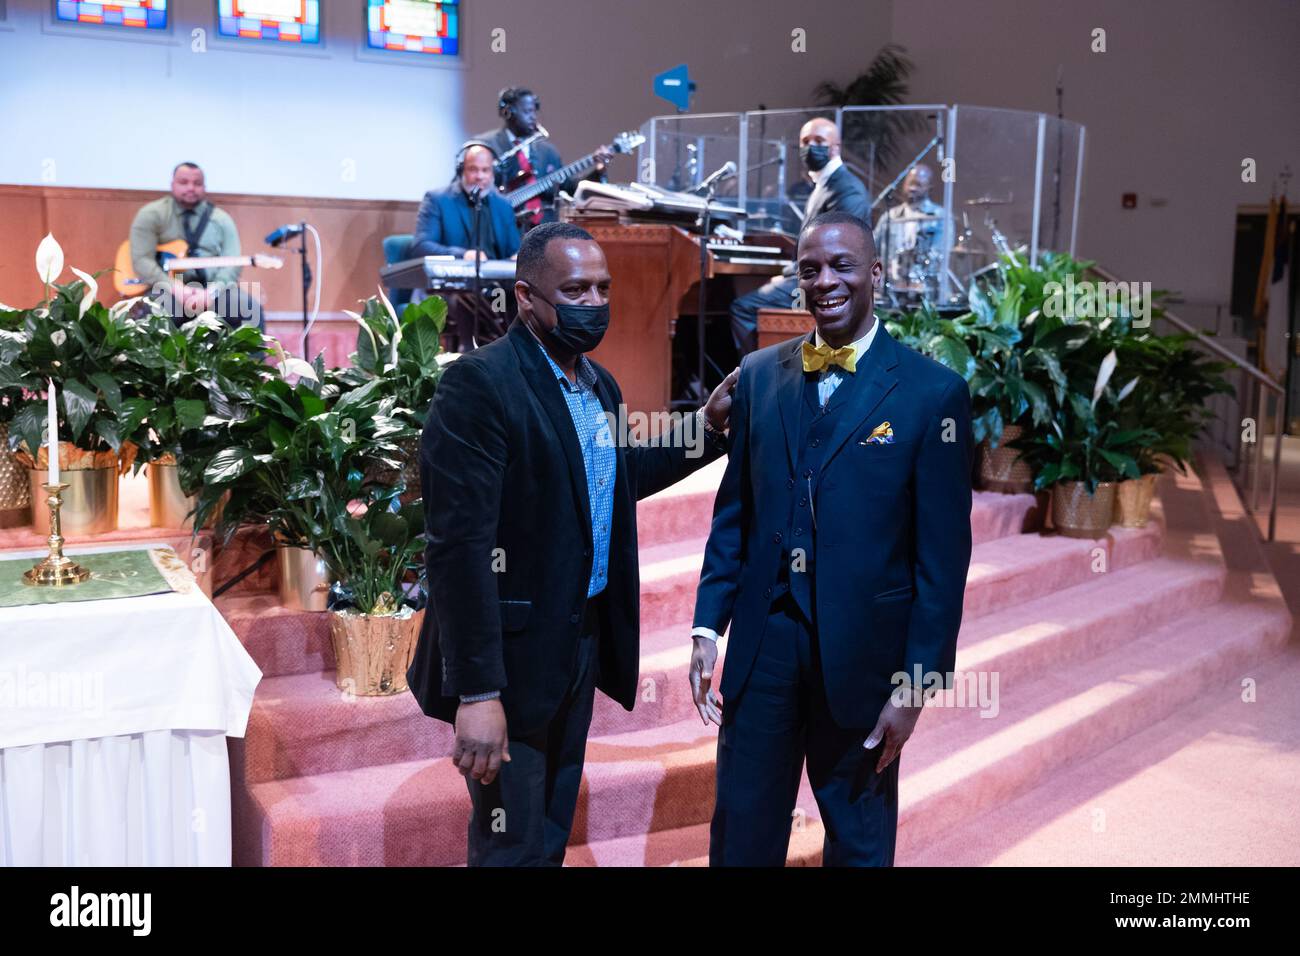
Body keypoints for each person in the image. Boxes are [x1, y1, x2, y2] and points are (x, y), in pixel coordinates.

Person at [407, 221, 739, 867]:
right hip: (509, 654)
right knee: (511, 843)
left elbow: (617, 479)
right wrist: (478, 693)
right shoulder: (480, 385)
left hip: (578, 639)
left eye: (603, 288)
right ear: (527, 297)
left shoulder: (599, 386)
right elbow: (459, 549)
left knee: (552, 830)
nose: (594, 304)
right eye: (576, 290)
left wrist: (704, 429)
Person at [689, 210, 973, 866]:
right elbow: (735, 515)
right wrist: (708, 626)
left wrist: (917, 685)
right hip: (765, 642)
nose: (825, 281)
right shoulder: (759, 375)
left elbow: (942, 560)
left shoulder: (933, 394)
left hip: (865, 656)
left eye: (842, 266)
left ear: (875, 273)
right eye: (810, 269)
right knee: (741, 831)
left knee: (859, 841)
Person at [728, 117, 871, 357]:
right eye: (805, 141)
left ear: (835, 147)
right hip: (813, 274)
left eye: (819, 140)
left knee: (743, 308)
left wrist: (788, 275)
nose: (810, 147)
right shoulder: (825, 183)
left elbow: (834, 252)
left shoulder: (846, 189)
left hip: (830, 281)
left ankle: (754, 377)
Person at [410, 141, 522, 350]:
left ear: (492, 172)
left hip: (494, 290)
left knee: (518, 297)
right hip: (450, 290)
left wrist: (518, 257)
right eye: (473, 169)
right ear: (461, 169)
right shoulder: (437, 200)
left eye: (485, 170)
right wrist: (463, 254)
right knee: (470, 301)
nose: (480, 176)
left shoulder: (502, 205)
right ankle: (468, 356)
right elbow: (421, 246)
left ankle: (512, 357)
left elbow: (513, 251)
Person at [128, 161, 261, 327]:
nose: (191, 188)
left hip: (213, 291)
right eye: (183, 182)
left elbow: (232, 265)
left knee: (249, 309)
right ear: (172, 185)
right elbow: (142, 260)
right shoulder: (151, 215)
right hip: (166, 289)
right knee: (152, 314)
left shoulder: (222, 220)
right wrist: (176, 288)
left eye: (197, 183)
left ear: (204, 187)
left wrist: (210, 294)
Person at [475, 86, 611, 230]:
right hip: (503, 229)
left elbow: (571, 188)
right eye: (527, 111)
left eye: (534, 111)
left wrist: (598, 171)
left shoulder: (547, 151)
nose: (533, 116)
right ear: (508, 113)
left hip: (544, 231)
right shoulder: (485, 146)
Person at [872, 164, 950, 295]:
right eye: (910, 183)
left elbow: (940, 253)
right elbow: (872, 247)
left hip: (925, 287)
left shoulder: (940, 217)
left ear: (929, 188)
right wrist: (884, 267)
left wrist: (918, 272)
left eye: (918, 184)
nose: (912, 188)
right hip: (891, 285)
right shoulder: (890, 216)